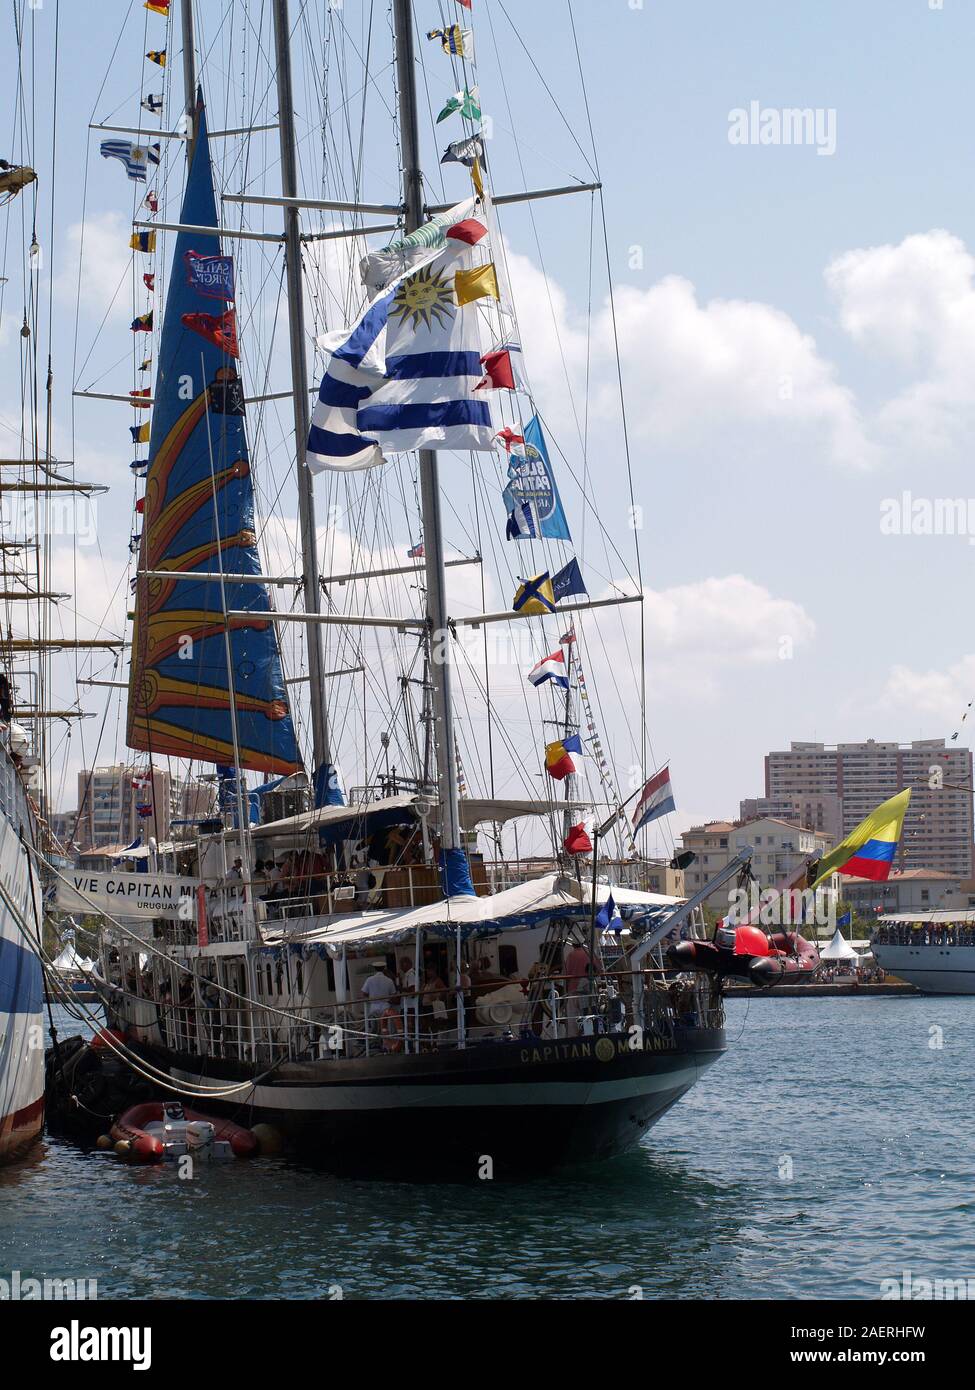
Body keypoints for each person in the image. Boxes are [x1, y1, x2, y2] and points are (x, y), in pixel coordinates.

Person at [564, 939, 598, 1035]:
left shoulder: (570, 955)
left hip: (573, 992)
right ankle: (593, 1033)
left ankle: (576, 1037)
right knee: (592, 1016)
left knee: (573, 1019)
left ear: (573, 945)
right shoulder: (589, 954)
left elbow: (566, 973)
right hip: (590, 995)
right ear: (582, 944)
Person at [360, 961, 396, 1040]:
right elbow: (393, 994)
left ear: (375, 969)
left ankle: (377, 1044)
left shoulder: (369, 980)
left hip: (374, 1007)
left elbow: (363, 993)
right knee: (387, 1028)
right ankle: (388, 1046)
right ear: (384, 969)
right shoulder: (389, 980)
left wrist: (370, 998)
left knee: (375, 1029)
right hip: (386, 1006)